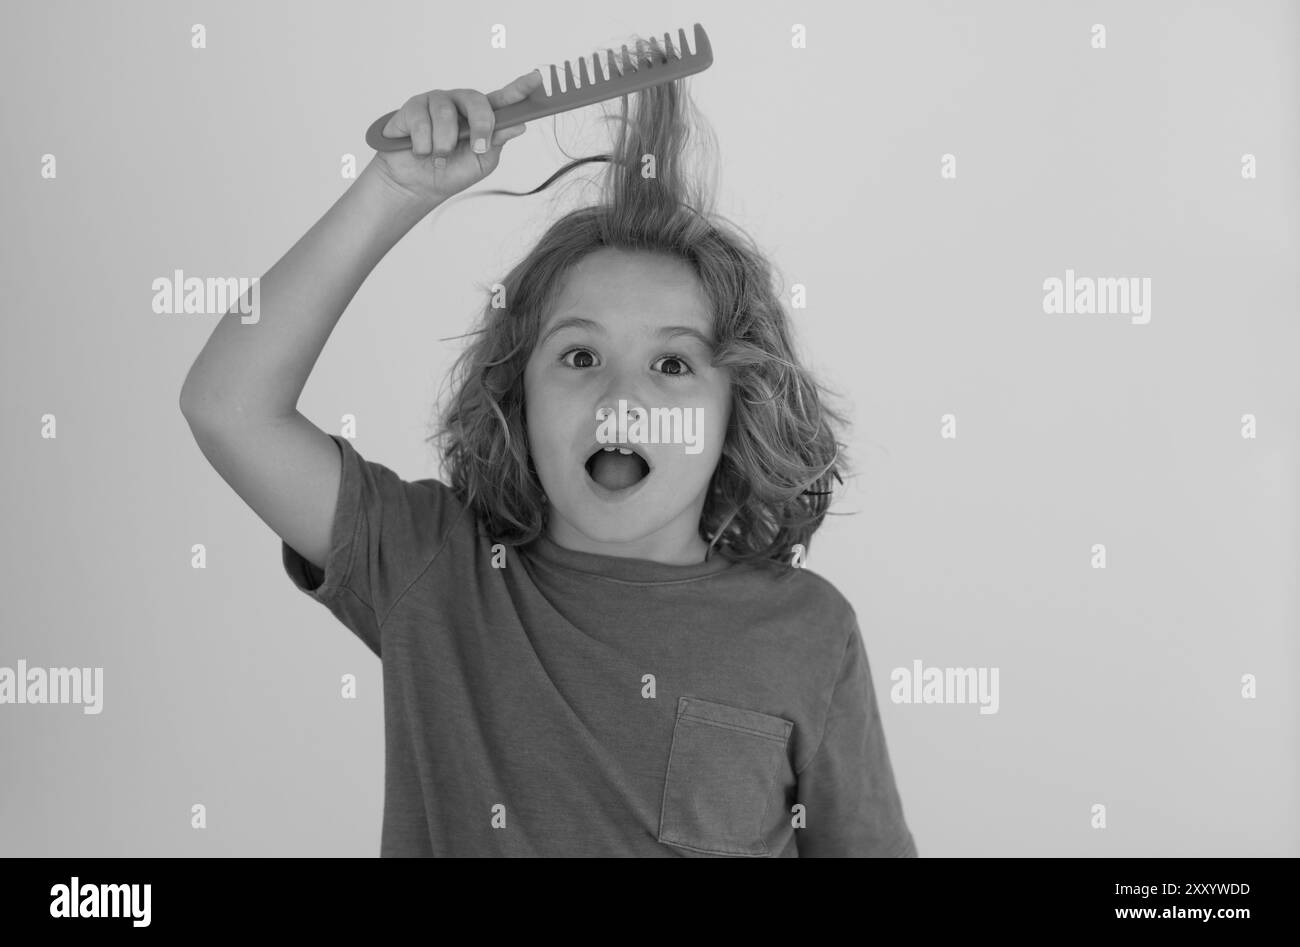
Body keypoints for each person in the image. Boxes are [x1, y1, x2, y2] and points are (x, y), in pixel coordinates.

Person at [179, 56, 917, 858]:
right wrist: (396, 192)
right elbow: (229, 406)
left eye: (672, 365)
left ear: (738, 407)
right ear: (515, 396)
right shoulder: (434, 567)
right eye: (578, 356)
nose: (619, 401)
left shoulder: (808, 632)